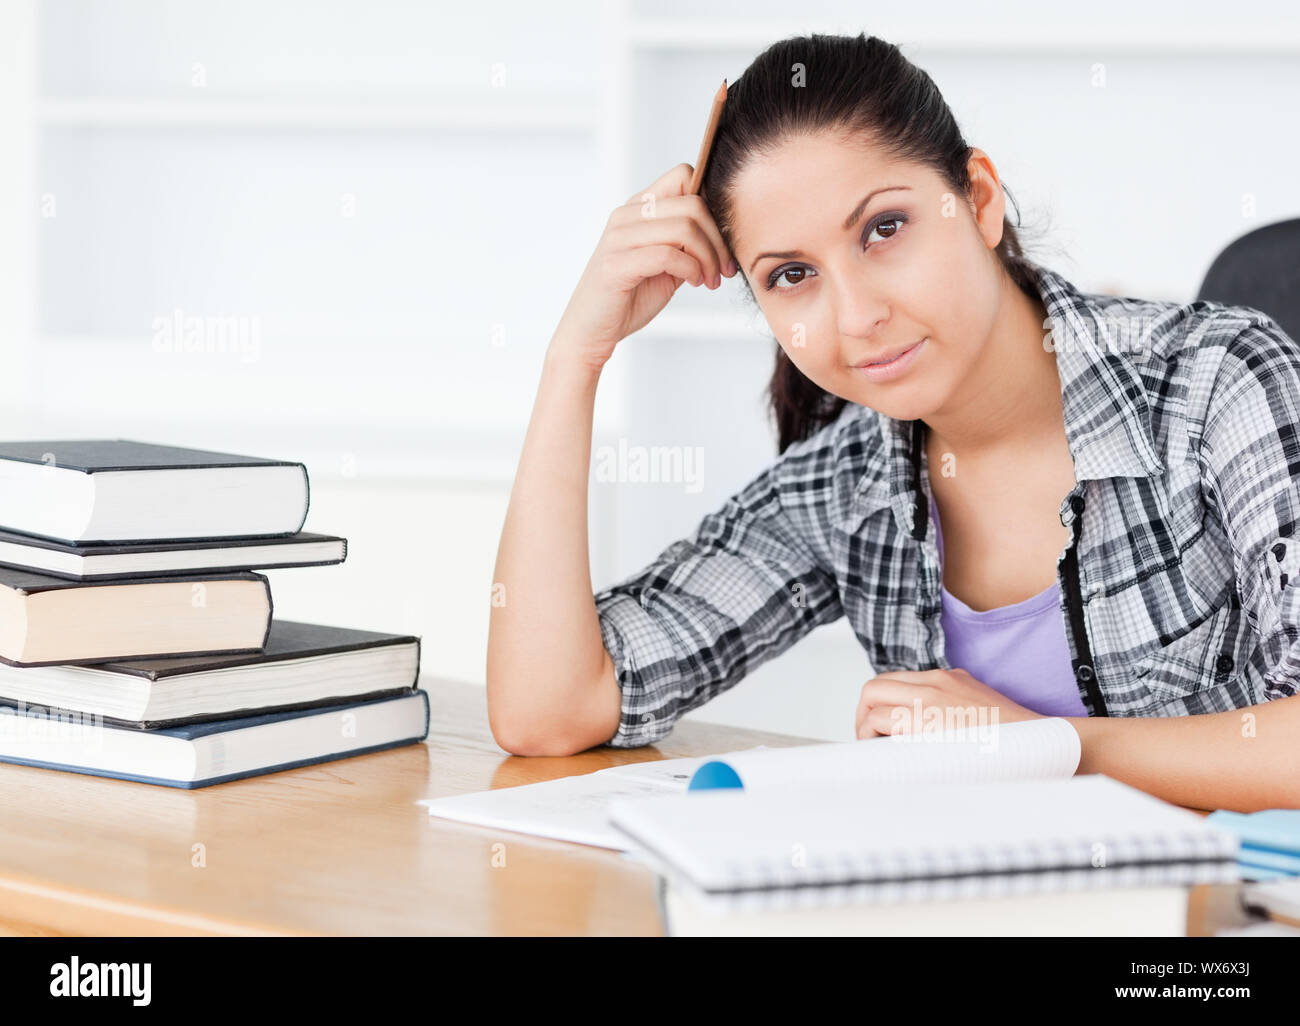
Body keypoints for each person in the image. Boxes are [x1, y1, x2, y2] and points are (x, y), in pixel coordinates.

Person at [486, 32, 1300, 812]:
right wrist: (576, 358)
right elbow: (549, 713)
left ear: (976, 202)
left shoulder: (1216, 383)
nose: (856, 316)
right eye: (793, 274)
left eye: (884, 229)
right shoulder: (846, 487)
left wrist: (1046, 747)